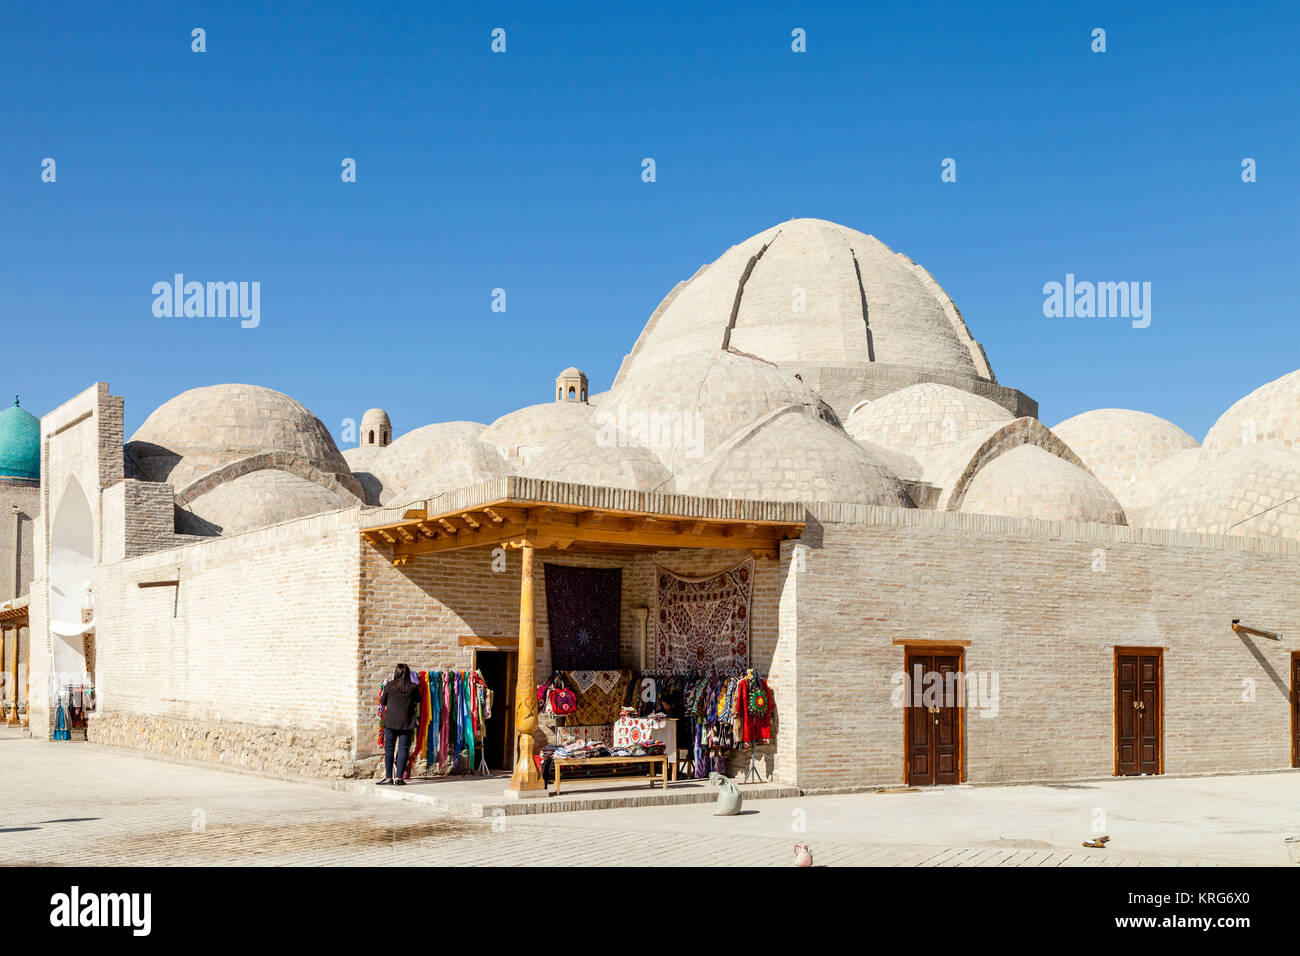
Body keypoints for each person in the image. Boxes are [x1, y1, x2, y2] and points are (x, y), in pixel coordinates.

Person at [378, 663, 420, 785]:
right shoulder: (413, 687)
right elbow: (418, 699)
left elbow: (383, 701)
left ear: (396, 673)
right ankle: (399, 778)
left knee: (389, 749)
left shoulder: (389, 686)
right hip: (406, 722)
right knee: (403, 749)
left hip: (390, 722)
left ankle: (388, 778)